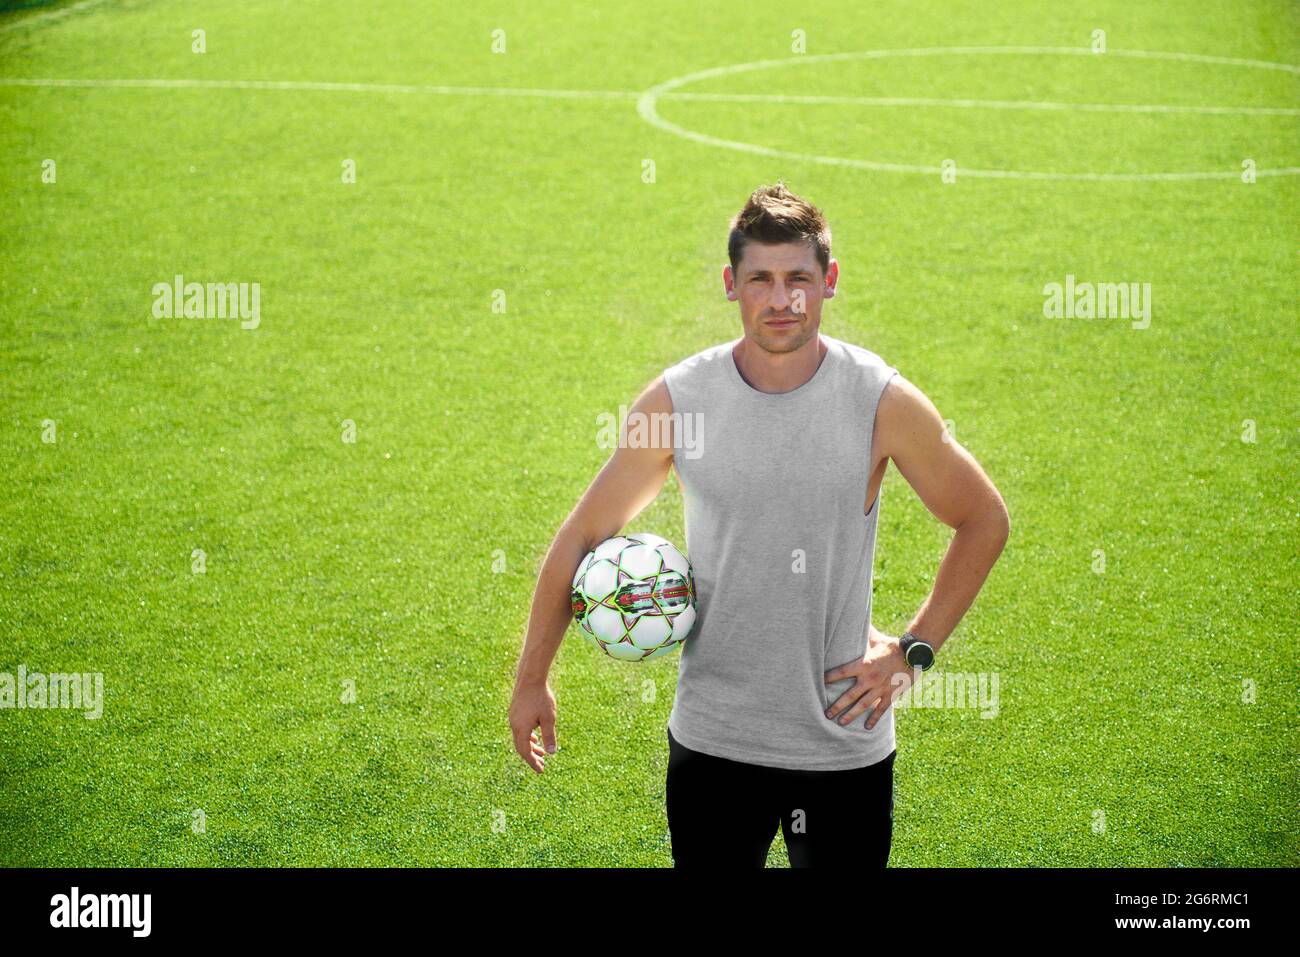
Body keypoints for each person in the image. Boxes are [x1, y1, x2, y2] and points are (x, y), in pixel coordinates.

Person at [508, 181, 1010, 867]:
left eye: (799, 278)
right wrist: (532, 677)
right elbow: (582, 534)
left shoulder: (880, 399)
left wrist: (913, 650)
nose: (781, 300)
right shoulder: (679, 400)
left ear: (829, 281)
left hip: (842, 743)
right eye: (761, 280)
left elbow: (983, 517)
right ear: (730, 284)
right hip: (714, 742)